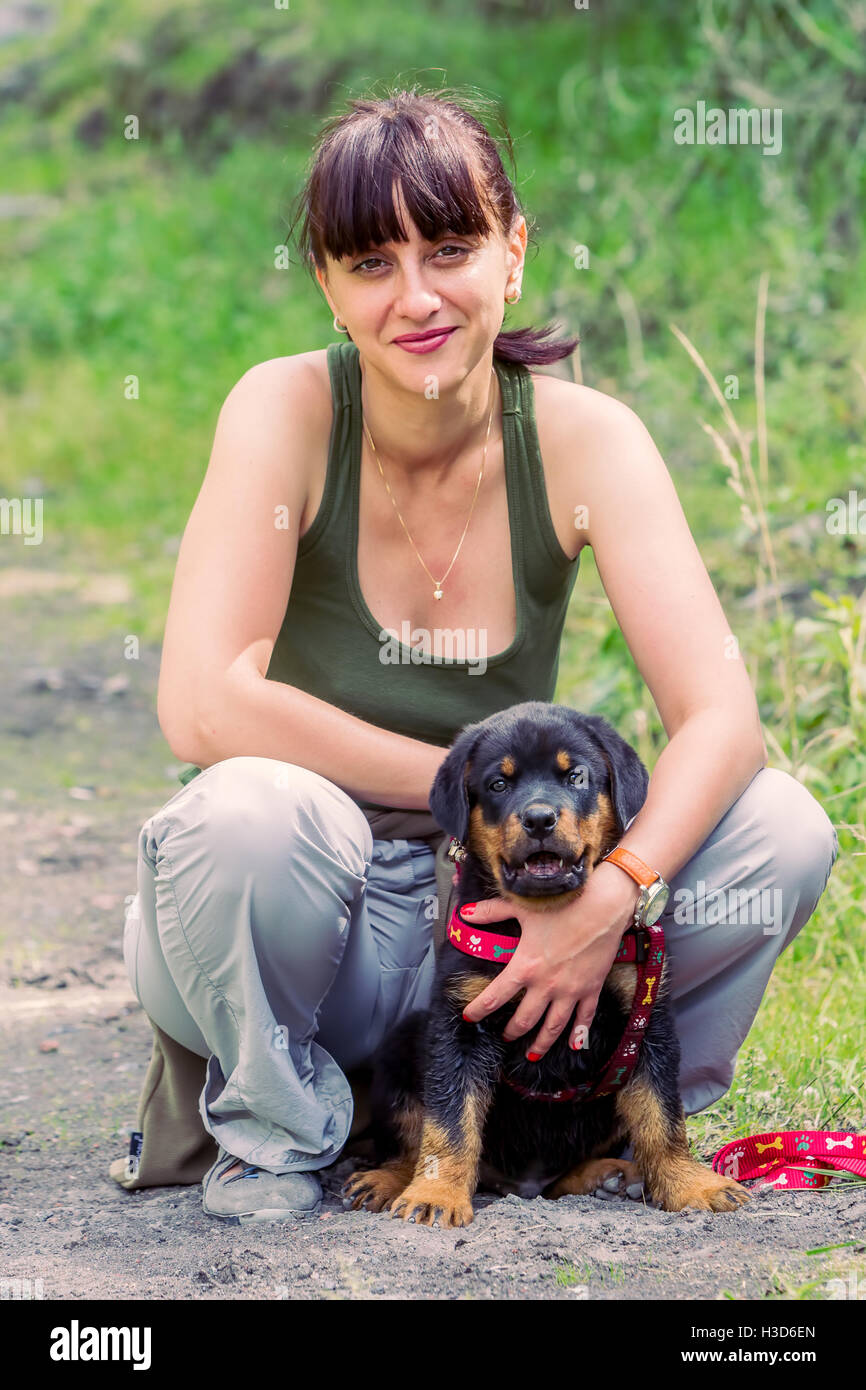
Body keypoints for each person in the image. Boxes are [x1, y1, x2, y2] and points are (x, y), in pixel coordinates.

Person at [119, 85, 838, 1223]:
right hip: (336, 918)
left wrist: (610, 888)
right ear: (324, 281)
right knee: (242, 810)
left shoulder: (582, 438)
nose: (414, 296)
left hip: (523, 914)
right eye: (369, 262)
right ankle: (274, 1135)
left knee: (781, 826)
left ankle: (615, 1126)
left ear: (511, 253)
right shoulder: (284, 410)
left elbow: (722, 721)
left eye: (449, 248)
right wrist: (470, 804)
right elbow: (204, 705)